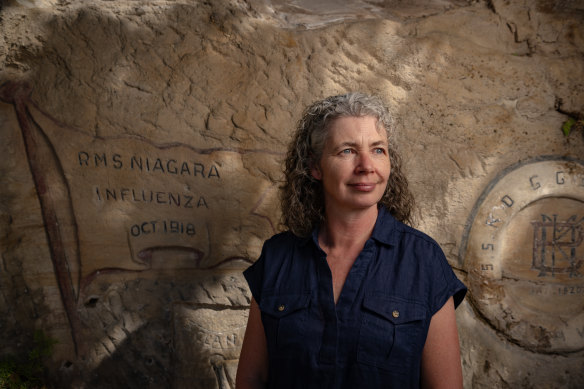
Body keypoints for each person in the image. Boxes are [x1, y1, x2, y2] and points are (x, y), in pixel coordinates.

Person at [235, 92, 466, 389]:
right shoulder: (278, 257)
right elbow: (252, 379)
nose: (366, 166)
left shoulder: (423, 261)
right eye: (347, 151)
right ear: (314, 166)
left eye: (378, 150)